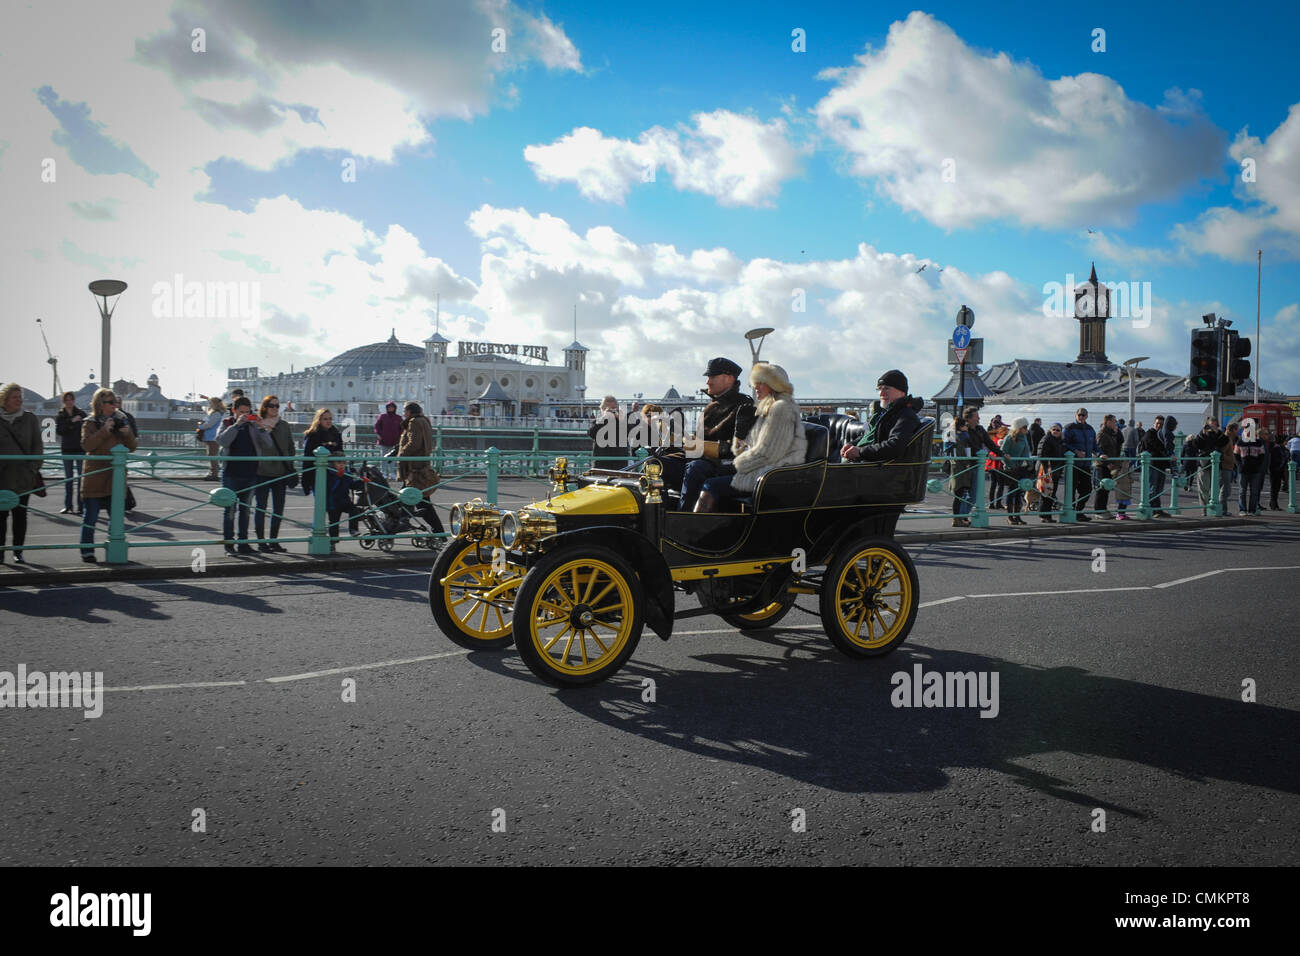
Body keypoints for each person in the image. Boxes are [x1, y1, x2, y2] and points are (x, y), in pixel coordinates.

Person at [695, 363, 805, 512]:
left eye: (761, 383)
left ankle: (694, 529)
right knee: (703, 471)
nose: (756, 387)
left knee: (710, 484)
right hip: (761, 472)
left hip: (773, 477)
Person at [680, 358, 755, 511]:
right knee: (659, 464)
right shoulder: (711, 408)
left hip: (726, 465)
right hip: (704, 461)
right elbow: (696, 442)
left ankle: (683, 521)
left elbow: (738, 448)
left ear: (729, 378)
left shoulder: (745, 406)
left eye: (712, 377)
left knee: (695, 467)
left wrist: (701, 447)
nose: (707, 382)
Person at [78, 388, 138, 563]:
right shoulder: (89, 423)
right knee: (91, 516)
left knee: (116, 517)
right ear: (100, 404)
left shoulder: (121, 420)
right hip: (95, 476)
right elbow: (87, 445)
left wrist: (128, 434)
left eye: (116, 402)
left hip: (115, 477)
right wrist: (104, 430)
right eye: (110, 402)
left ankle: (115, 546)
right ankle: (87, 550)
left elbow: (132, 447)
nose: (115, 405)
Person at [217, 395, 272, 555]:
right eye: (242, 412)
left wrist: (261, 427)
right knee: (230, 510)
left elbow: (268, 444)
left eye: (248, 412)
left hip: (250, 473)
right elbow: (221, 441)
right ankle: (229, 544)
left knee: (246, 510)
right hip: (231, 473)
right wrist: (237, 425)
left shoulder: (253, 425)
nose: (246, 416)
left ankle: (243, 543)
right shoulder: (227, 423)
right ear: (234, 411)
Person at [302, 408, 359, 551]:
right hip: (318, 476)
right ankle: (319, 535)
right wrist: (305, 481)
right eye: (325, 419)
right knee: (322, 506)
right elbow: (307, 460)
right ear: (319, 420)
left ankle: (331, 540)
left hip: (335, 476)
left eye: (330, 419)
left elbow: (340, 455)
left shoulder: (336, 434)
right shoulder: (312, 435)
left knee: (336, 507)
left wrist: (345, 471)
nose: (328, 421)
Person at [0, 383, 43, 564]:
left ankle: (18, 551)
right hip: (1, 477)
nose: (19, 400)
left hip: (23, 476)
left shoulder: (29, 419)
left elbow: (37, 445)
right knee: (0, 517)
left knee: (20, 515)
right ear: (5, 400)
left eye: (20, 397)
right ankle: (0, 552)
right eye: (15, 397)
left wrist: (32, 469)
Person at [840, 369, 921, 462]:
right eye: (879, 389)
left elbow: (895, 446)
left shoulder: (906, 416)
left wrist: (860, 452)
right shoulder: (880, 414)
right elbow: (867, 436)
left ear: (902, 392)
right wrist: (851, 444)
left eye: (886, 388)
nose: (881, 393)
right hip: (861, 463)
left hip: (872, 468)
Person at [253, 395, 296, 552]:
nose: (275, 408)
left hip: (281, 472)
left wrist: (289, 463)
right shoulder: (256, 424)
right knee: (261, 507)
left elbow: (290, 446)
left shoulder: (283, 425)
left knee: (278, 508)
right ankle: (261, 541)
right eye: (272, 405)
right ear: (265, 406)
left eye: (278, 406)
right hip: (261, 472)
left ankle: (273, 540)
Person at [396, 401, 444, 534]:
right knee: (412, 498)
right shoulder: (424, 421)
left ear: (410, 412)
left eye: (405, 411)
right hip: (420, 466)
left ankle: (402, 522)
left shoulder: (414, 422)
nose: (403, 413)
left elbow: (414, 443)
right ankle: (438, 532)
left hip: (415, 469)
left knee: (414, 499)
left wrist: (401, 454)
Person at [1185, 417, 1230, 516]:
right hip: (1204, 463)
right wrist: (1203, 433)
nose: (1212, 425)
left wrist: (1217, 432)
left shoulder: (1219, 434)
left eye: (1214, 423)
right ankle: (1204, 510)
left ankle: (1212, 508)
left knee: (1215, 489)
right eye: (1210, 423)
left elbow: (1225, 441)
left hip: (1216, 464)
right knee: (1203, 488)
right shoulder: (1203, 433)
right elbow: (1196, 444)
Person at [1062, 407, 1098, 520]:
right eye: (1079, 415)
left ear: (1087, 416)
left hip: (1086, 465)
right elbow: (1063, 443)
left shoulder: (1090, 429)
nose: (1081, 417)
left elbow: (1094, 446)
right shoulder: (1069, 428)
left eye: (1083, 415)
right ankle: (1071, 511)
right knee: (1071, 490)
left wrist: (1099, 453)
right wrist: (1076, 451)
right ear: (1076, 415)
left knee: (1087, 489)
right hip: (1072, 465)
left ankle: (1078, 510)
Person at [54, 390, 87, 514]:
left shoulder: (81, 413)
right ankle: (68, 506)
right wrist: (71, 422)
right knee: (68, 479)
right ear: (64, 401)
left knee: (80, 479)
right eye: (67, 400)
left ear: (74, 400)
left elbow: (87, 428)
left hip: (79, 449)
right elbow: (60, 431)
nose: (69, 402)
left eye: (71, 399)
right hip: (67, 449)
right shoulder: (61, 415)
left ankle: (81, 506)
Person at [999, 417, 1034, 525]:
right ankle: (1010, 516)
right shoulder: (1010, 437)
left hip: (1022, 468)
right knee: (1012, 491)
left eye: (1026, 427)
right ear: (1018, 427)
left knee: (1019, 492)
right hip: (1012, 469)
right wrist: (1011, 464)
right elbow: (1003, 452)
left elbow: (1027, 452)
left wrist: (1030, 464)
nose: (1026, 429)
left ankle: (1017, 516)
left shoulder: (1024, 437)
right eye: (1024, 427)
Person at [947, 415, 975, 527]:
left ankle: (960, 519)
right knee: (959, 495)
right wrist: (967, 463)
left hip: (959, 468)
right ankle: (956, 519)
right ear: (961, 426)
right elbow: (960, 454)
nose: (967, 428)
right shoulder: (959, 438)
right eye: (966, 426)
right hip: (960, 469)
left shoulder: (957, 437)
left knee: (960, 495)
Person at [1036, 422, 1066, 523]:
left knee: (1051, 493)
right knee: (1046, 493)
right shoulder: (1047, 439)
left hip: (1056, 470)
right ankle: (1044, 515)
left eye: (1058, 430)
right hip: (1047, 470)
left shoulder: (1060, 441)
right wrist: (1046, 468)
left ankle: (1047, 515)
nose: (1055, 431)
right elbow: (1041, 454)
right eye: (1053, 429)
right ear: (1050, 430)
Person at [1140, 414, 1170, 517]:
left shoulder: (1163, 434)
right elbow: (1156, 446)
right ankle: (1152, 509)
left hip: (1161, 464)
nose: (1159, 425)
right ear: (1154, 423)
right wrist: (1165, 451)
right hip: (1152, 464)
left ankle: (1157, 509)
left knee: (1159, 488)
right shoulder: (1149, 434)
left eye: (1161, 424)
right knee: (1153, 488)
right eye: (1157, 423)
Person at [587, 395, 628, 469]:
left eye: (613, 409)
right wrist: (603, 418)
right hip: (602, 461)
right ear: (602, 409)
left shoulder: (622, 421)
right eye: (607, 409)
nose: (611, 411)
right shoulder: (598, 422)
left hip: (619, 461)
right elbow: (591, 434)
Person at [1235, 423, 1267, 516]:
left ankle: (1252, 510)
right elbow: (1236, 455)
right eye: (1246, 430)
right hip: (1243, 470)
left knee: (1254, 492)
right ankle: (1242, 510)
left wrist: (1258, 466)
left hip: (1255, 471)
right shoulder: (1240, 442)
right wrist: (1239, 466)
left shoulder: (1258, 442)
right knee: (1242, 491)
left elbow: (1262, 455)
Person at [1094, 414, 1122, 517]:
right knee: (1102, 488)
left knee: (1107, 488)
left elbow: (1120, 442)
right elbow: (1099, 451)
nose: (1116, 423)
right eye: (1114, 421)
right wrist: (1107, 463)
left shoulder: (1111, 434)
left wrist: (1117, 431)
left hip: (1109, 463)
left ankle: (1103, 509)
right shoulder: (1102, 434)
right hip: (1102, 465)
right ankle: (1099, 511)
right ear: (1109, 422)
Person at [984, 414, 1009, 509]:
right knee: (1000, 483)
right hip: (998, 461)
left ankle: (992, 503)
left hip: (992, 461)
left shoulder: (992, 435)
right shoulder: (1002, 435)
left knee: (994, 483)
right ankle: (997, 503)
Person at [197, 397, 225, 480]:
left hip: (213, 437)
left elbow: (209, 424)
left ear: (214, 404)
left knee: (212, 455)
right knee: (211, 455)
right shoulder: (217, 413)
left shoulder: (216, 414)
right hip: (210, 436)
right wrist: (207, 398)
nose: (209, 405)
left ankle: (214, 474)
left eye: (210, 403)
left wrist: (200, 426)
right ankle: (213, 473)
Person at [374, 401, 402, 478]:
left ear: (395, 408)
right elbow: (377, 427)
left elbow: (401, 429)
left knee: (392, 457)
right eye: (389, 407)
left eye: (392, 407)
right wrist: (379, 435)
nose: (390, 409)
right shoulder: (382, 417)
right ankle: (383, 472)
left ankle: (392, 472)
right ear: (387, 408)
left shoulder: (398, 418)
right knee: (383, 457)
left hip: (394, 441)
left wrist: (400, 437)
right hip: (383, 440)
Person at [1266, 430, 1287, 510]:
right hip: (1276, 470)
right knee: (1275, 488)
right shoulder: (1277, 448)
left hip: (1276, 470)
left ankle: (1273, 504)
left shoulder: (1275, 448)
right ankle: (1274, 504)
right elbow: (1280, 459)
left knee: (1275, 488)